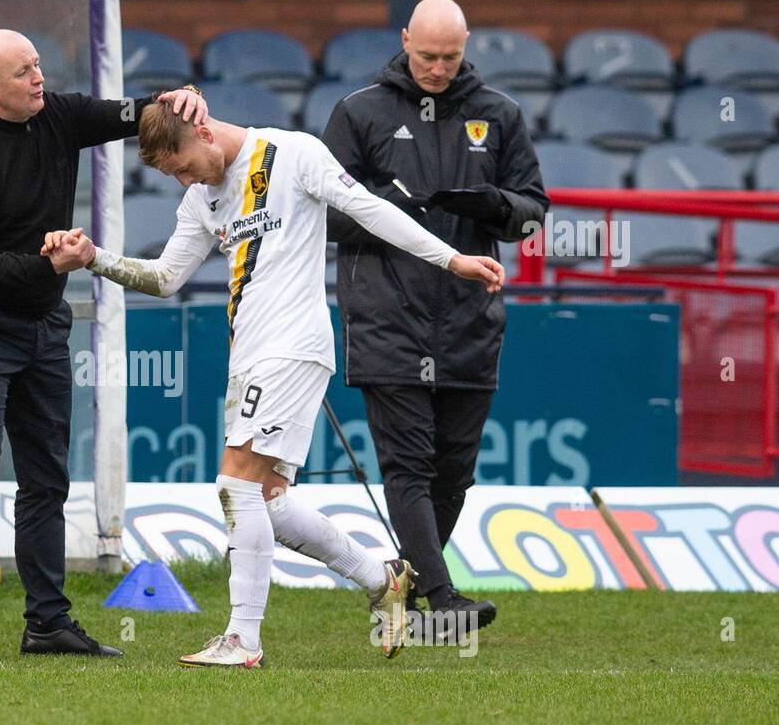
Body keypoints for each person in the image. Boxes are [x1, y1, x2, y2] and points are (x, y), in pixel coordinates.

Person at [44, 102, 504, 667]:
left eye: (185, 167)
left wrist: (452, 258)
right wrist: (93, 257)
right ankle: (382, 577)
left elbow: (371, 210)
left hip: (293, 349)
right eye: (175, 176)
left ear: (206, 133)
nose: (187, 181)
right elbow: (164, 278)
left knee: (234, 486)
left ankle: (243, 639)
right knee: (269, 502)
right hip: (250, 358)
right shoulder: (201, 198)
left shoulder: (295, 154)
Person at [0, 28, 207, 659]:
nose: (39, 78)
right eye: (24, 72)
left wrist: (179, 97)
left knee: (47, 476)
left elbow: (126, 114)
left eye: (39, 64)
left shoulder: (55, 116)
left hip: (42, 330)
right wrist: (46, 266)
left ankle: (47, 622)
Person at [323, 0, 548, 629]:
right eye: (427, 56)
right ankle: (443, 601)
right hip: (387, 316)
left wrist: (495, 206)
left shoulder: (499, 115)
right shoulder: (359, 112)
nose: (438, 69)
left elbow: (534, 210)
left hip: (470, 318)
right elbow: (322, 208)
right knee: (410, 463)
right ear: (404, 41)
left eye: (450, 57)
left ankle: (408, 592)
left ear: (465, 46)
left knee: (456, 469)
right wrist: (383, 210)